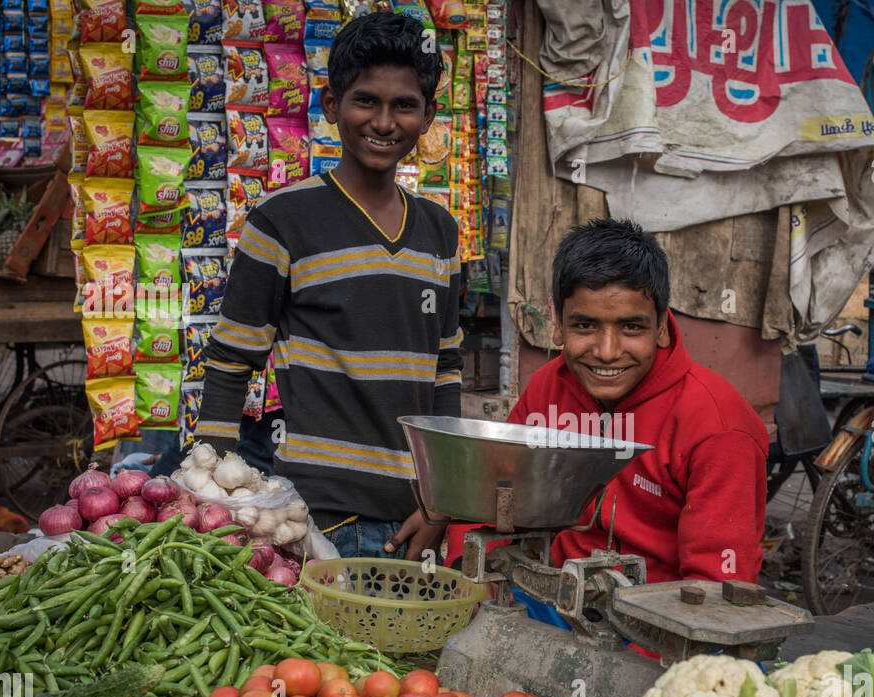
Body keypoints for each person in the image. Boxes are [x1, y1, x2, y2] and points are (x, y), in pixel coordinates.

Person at [193, 11, 462, 559]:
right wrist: (210, 498)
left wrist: (442, 503)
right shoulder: (282, 219)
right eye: (366, 101)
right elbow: (230, 362)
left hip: (415, 521)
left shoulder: (440, 231)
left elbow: (445, 376)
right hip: (314, 520)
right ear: (331, 104)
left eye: (404, 105)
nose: (384, 123)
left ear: (428, 115)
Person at [501, 218, 770, 585]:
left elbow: (716, 594)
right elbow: (495, 492)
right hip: (551, 599)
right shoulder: (548, 387)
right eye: (584, 326)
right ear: (558, 323)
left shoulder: (718, 428)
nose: (608, 352)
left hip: (656, 628)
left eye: (631, 328)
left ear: (661, 326)